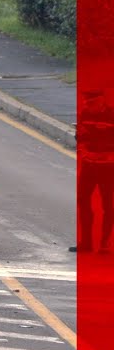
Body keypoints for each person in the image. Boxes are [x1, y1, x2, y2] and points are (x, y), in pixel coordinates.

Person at [77, 88, 114, 252]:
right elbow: (80, 137)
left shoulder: (111, 114)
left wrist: (102, 130)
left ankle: (105, 243)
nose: (88, 106)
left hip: (107, 165)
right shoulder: (85, 114)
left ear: (101, 101)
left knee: (108, 204)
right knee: (83, 200)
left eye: (91, 103)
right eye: (86, 102)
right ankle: (86, 242)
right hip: (89, 163)